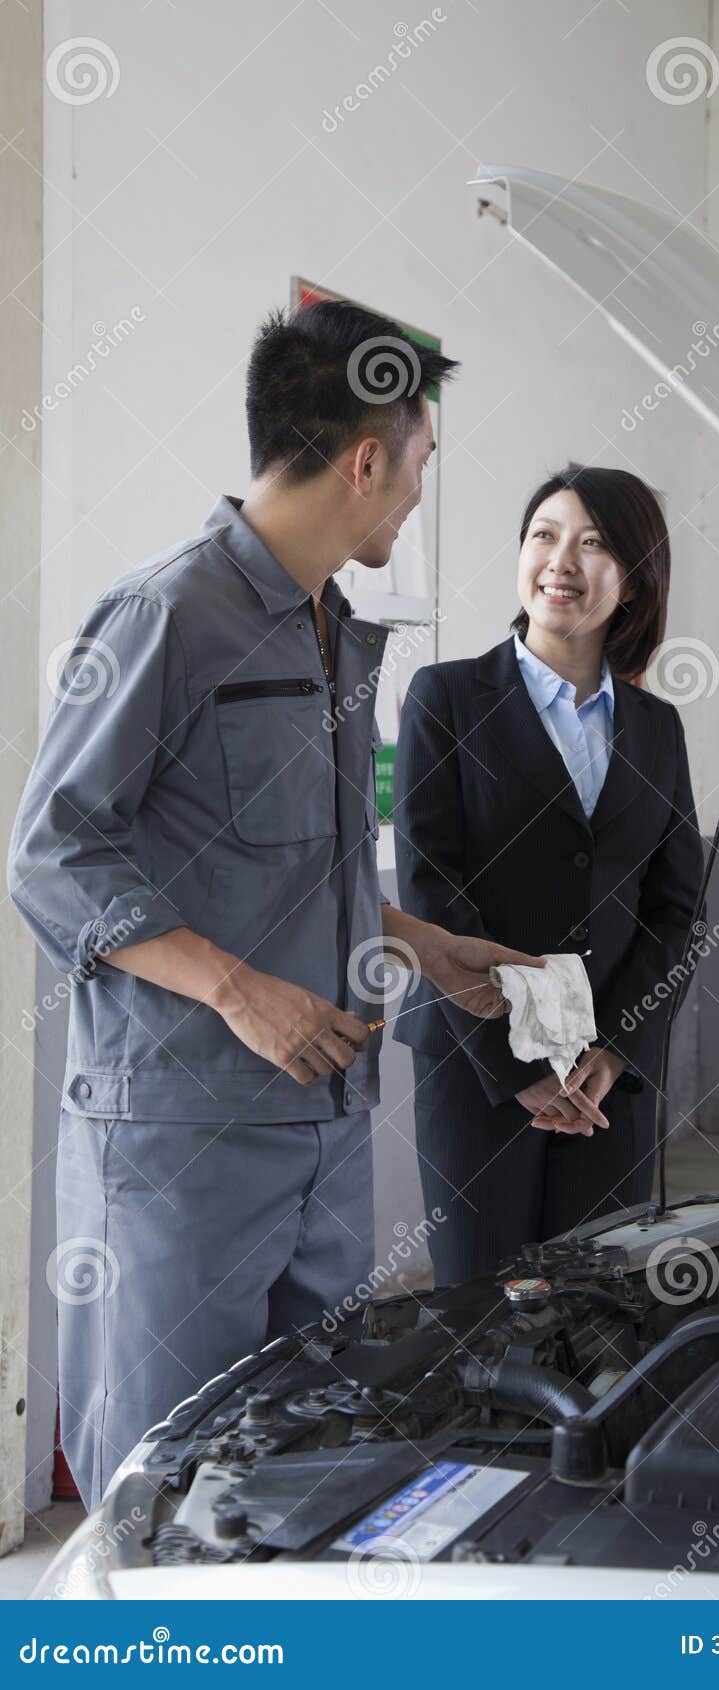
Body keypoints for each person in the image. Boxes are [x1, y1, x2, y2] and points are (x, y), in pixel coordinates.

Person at [8, 300, 543, 1507]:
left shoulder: (337, 635)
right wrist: (239, 994)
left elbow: (313, 868)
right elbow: (50, 855)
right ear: (367, 458)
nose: (413, 497)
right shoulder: (165, 617)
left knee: (299, 1478)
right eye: (418, 464)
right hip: (183, 1145)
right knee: (162, 1486)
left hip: (327, 1127)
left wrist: (429, 946)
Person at [393, 464, 704, 1282]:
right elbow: (430, 887)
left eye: (594, 544)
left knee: (596, 1312)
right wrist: (521, 1064)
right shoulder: (446, 698)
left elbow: (675, 907)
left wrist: (620, 1049)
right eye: (544, 535)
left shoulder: (656, 728)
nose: (561, 561)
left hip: (610, 1083)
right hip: (480, 1073)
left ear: (633, 583)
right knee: (480, 1311)